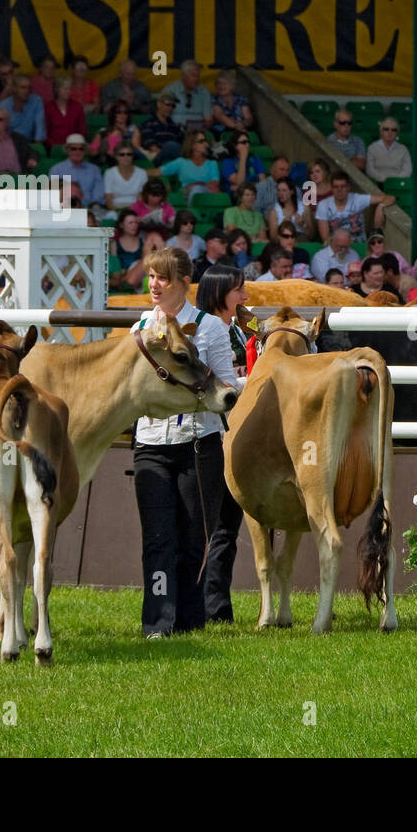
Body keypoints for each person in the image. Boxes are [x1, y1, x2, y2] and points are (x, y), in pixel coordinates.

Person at [129, 247, 236, 638]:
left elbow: (229, 386)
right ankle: (157, 621)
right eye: (151, 277)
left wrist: (199, 391)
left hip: (198, 443)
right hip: (150, 444)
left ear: (183, 283)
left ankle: (191, 619)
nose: (154, 285)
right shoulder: (139, 329)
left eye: (162, 278)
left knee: (194, 538)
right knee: (157, 538)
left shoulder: (209, 327)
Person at [196, 264, 252, 623]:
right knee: (219, 525)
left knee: (225, 526)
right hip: (212, 434)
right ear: (220, 293)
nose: (245, 297)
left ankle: (215, 604)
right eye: (239, 290)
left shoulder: (235, 328)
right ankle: (212, 605)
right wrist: (255, 381)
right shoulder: (209, 329)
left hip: (228, 434)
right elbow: (219, 386)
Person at [103, 140, 148, 210]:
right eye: (122, 154)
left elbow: (142, 197)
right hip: (116, 208)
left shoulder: (142, 173)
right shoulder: (109, 173)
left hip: (135, 208)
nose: (125, 157)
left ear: (133, 156)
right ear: (116, 157)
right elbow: (108, 198)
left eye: (129, 154)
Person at [365, 116, 411, 183]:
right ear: (381, 132)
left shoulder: (403, 149)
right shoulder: (372, 148)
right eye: (386, 129)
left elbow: (408, 170)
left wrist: (395, 181)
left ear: (397, 133)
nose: (390, 132)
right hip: (378, 184)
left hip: (397, 184)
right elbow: (370, 170)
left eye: (393, 130)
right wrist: (386, 181)